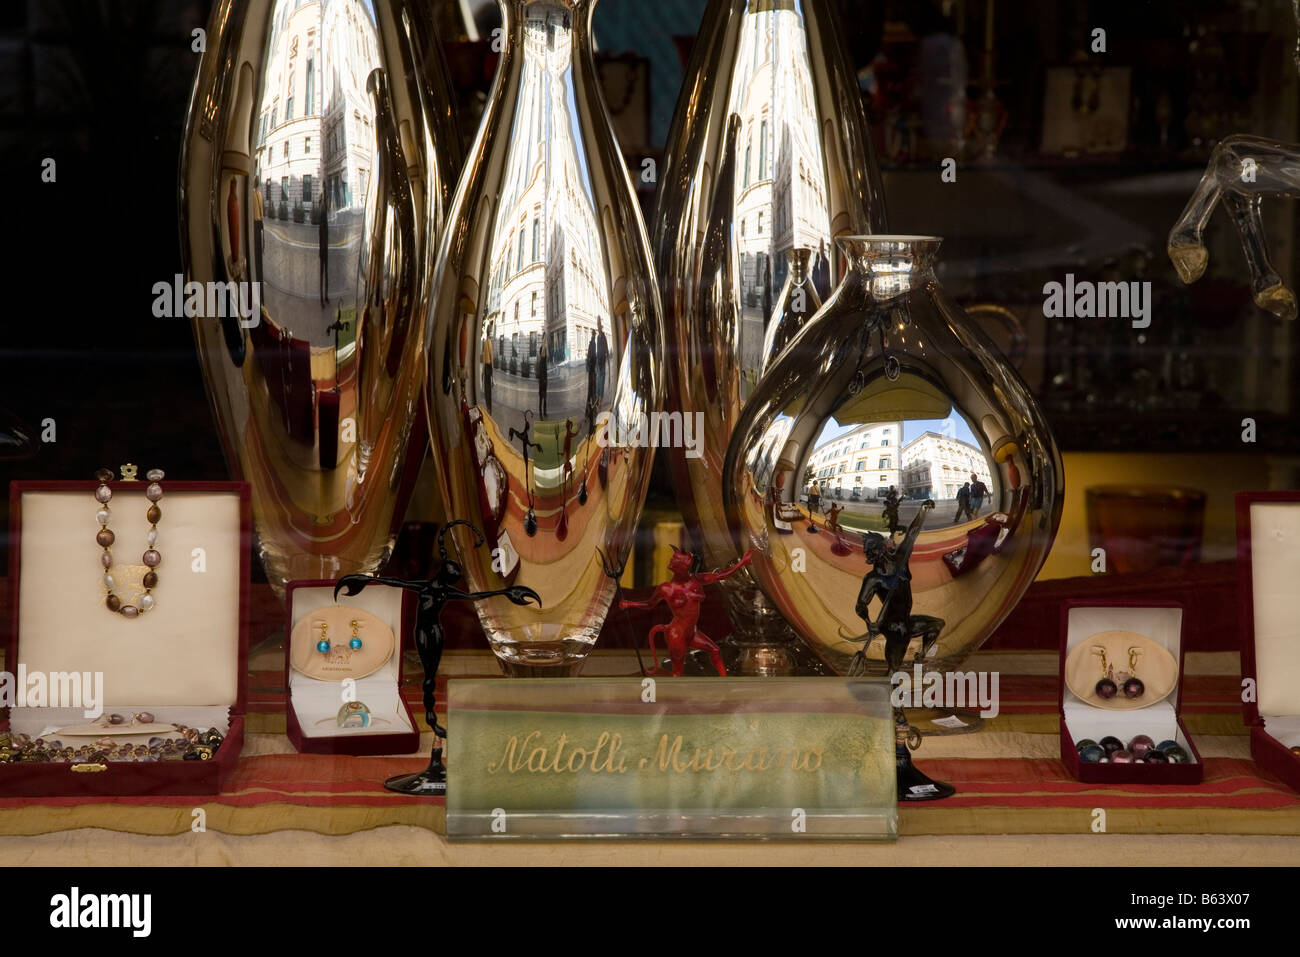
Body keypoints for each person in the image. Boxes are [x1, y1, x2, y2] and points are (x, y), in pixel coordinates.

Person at [482, 328, 494, 414]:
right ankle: (489, 408)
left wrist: (483, 370)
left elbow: (484, 356)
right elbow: (491, 356)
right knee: (488, 388)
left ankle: (488, 406)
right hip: (488, 366)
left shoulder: (485, 342)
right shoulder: (489, 342)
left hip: (486, 366)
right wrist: (493, 374)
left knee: (487, 388)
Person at [536, 339, 549, 419]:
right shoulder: (541, 361)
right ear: (541, 353)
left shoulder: (544, 361)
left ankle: (544, 412)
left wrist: (545, 380)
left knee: (545, 398)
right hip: (542, 382)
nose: (544, 352)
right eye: (543, 351)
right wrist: (543, 381)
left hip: (545, 382)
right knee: (541, 398)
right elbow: (540, 373)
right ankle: (541, 413)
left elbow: (546, 349)